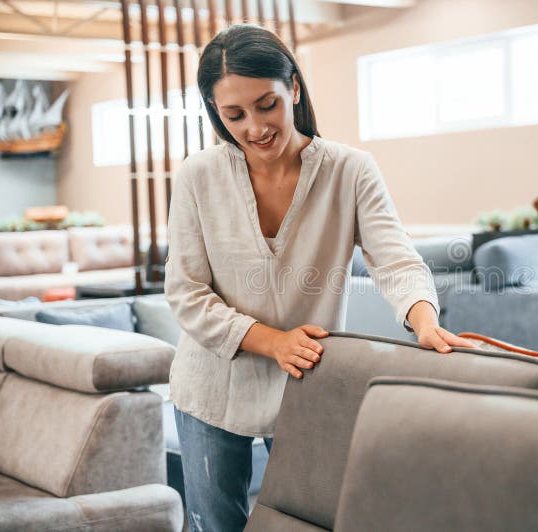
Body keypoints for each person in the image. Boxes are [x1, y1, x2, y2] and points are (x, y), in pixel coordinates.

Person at [164, 23, 475, 532]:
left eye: (267, 104)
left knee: (311, 521)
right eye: (234, 114)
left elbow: (396, 260)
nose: (255, 127)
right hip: (210, 383)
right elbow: (185, 291)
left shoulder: (350, 170)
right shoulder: (198, 176)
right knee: (214, 524)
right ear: (215, 113)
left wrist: (422, 320)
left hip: (304, 383)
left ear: (295, 88)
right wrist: (272, 341)